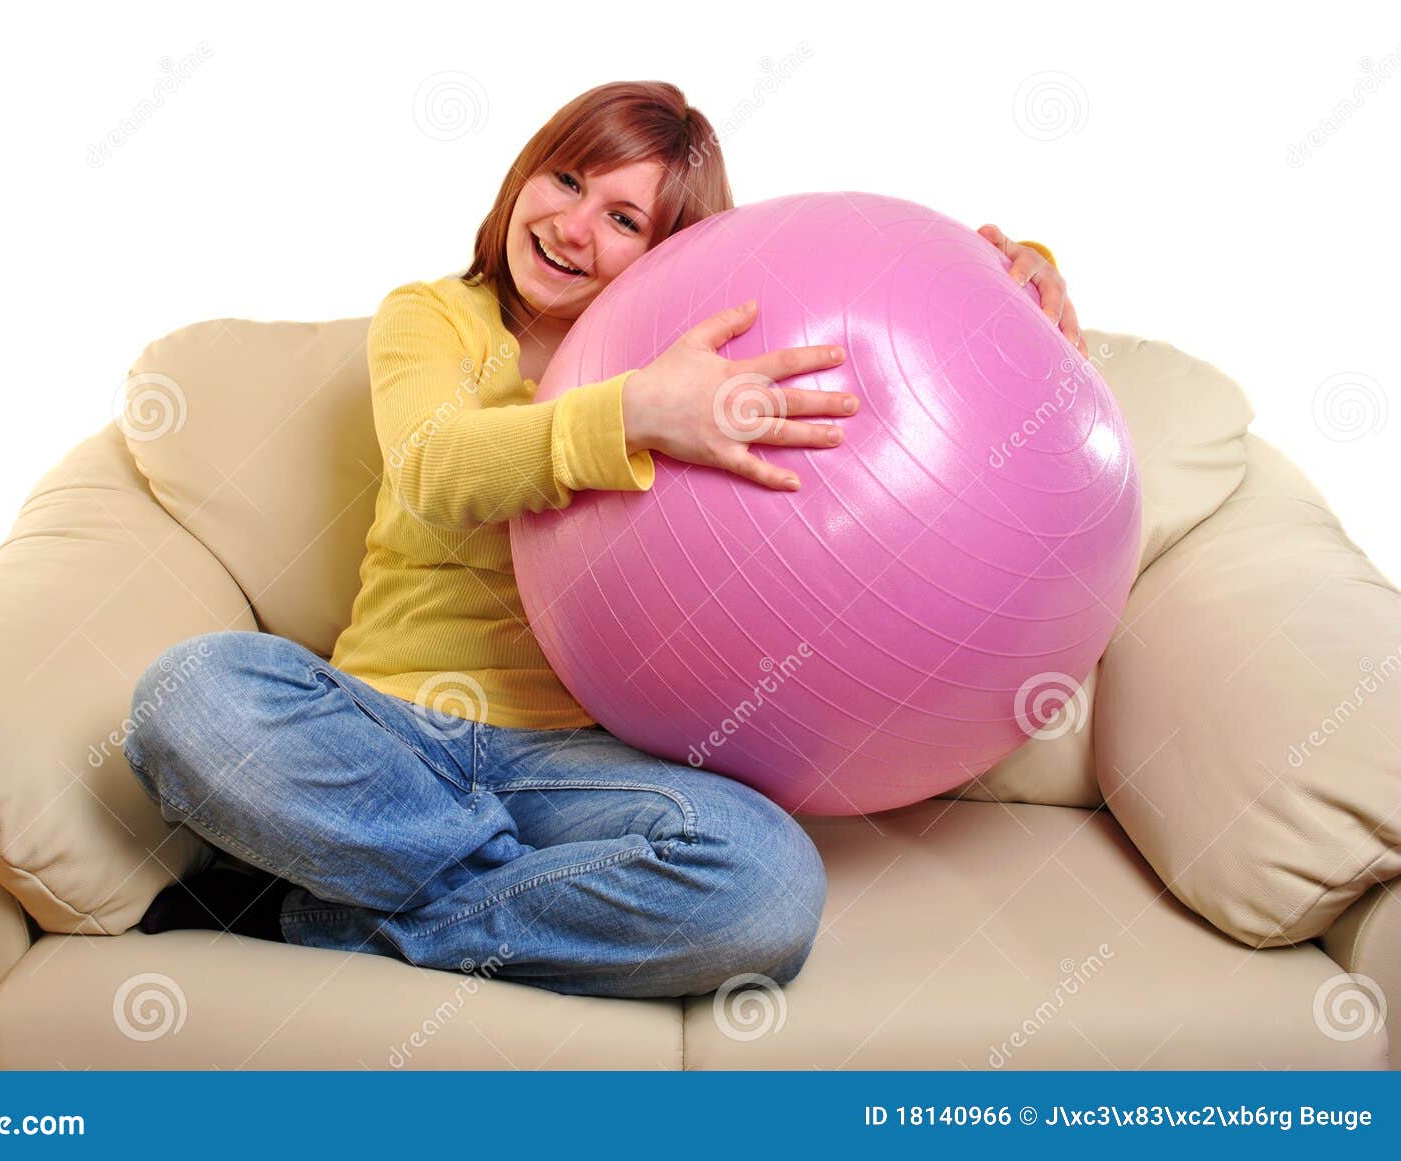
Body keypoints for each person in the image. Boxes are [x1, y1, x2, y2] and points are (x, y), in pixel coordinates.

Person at [122, 80, 1080, 999]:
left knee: (768, 886)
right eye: (568, 180)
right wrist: (634, 413)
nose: (574, 226)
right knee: (189, 695)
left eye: (625, 220)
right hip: (390, 733)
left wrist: (1018, 281)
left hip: (581, 764)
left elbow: (873, 377)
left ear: (673, 255)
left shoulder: (709, 365)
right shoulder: (437, 316)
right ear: (526, 175)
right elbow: (434, 463)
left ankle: (323, 913)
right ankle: (535, 882)